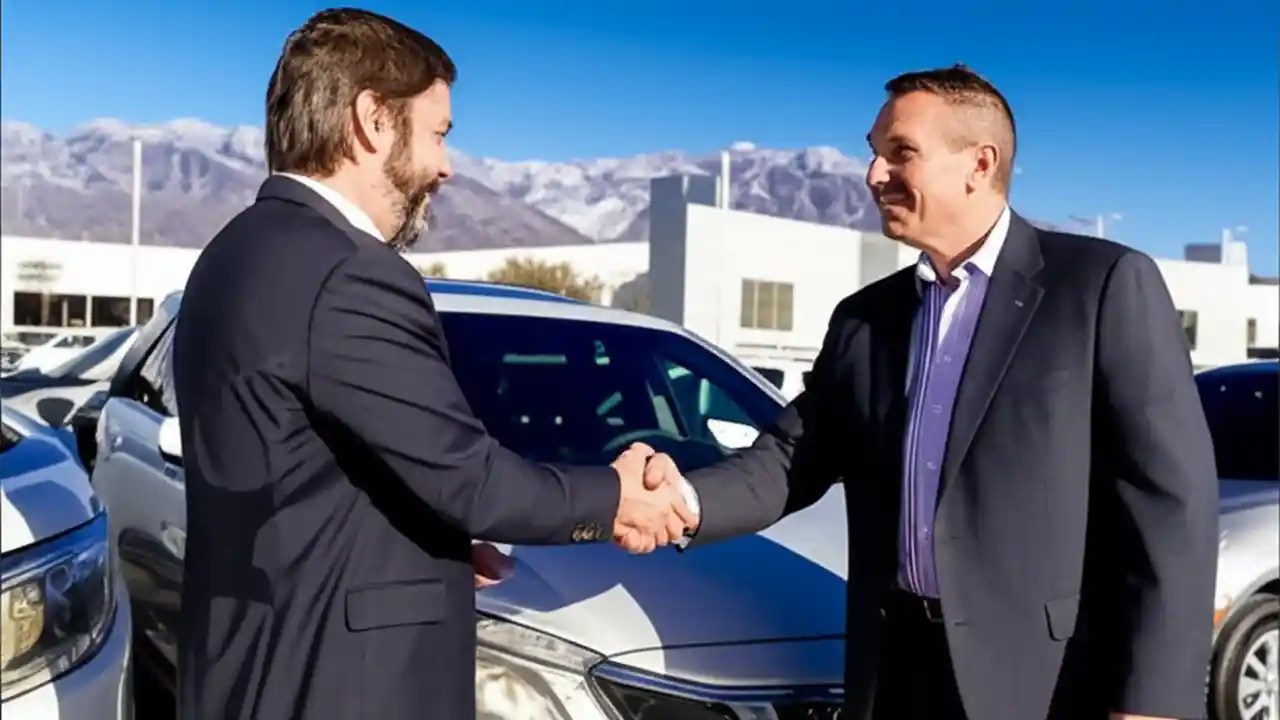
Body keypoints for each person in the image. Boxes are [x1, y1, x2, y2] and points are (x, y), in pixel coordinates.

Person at [638, 65, 1218, 720]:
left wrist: (1153, 702)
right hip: (896, 670)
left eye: (899, 152)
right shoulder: (866, 318)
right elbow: (792, 456)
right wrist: (682, 499)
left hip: (1049, 681)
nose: (872, 174)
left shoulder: (1101, 286)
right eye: (873, 150)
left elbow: (1171, 504)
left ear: (979, 163)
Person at [170, 9, 694, 720]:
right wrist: (616, 495)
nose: (446, 167)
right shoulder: (351, 273)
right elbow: (471, 479)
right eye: (440, 133)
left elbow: (301, 468)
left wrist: (432, 543)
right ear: (373, 121)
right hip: (340, 684)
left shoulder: (233, 254)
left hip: (248, 663)